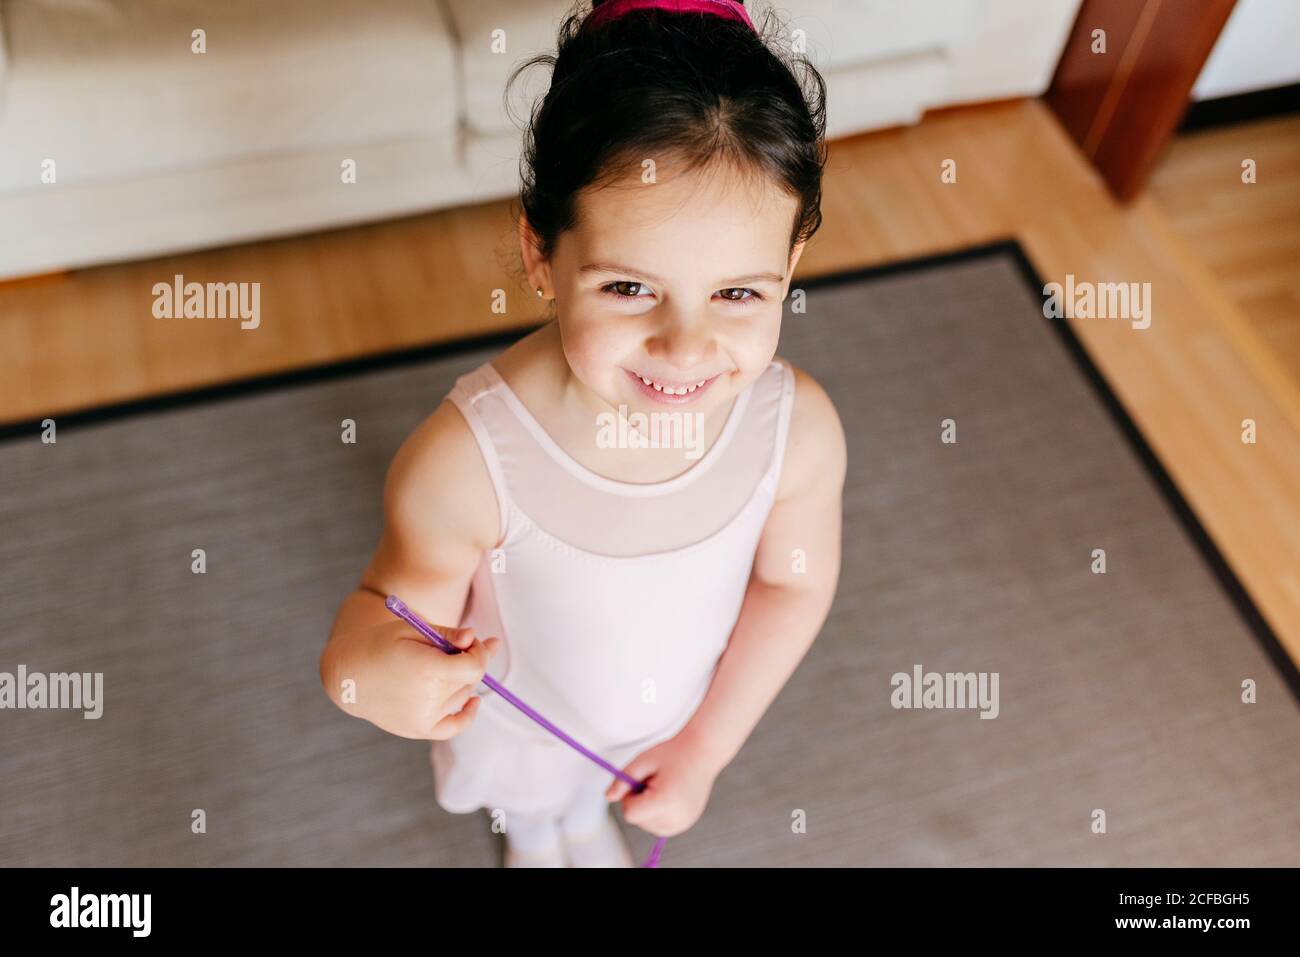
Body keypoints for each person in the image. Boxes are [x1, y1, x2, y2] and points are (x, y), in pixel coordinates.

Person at [321, 0, 845, 867]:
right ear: (540, 253)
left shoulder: (799, 433)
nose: (684, 349)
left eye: (740, 293)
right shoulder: (464, 463)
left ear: (788, 266)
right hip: (521, 724)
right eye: (629, 289)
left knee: (594, 801)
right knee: (534, 802)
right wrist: (370, 672)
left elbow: (791, 588)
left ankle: (574, 819)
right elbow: (386, 612)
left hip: (669, 711)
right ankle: (535, 829)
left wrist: (703, 747)